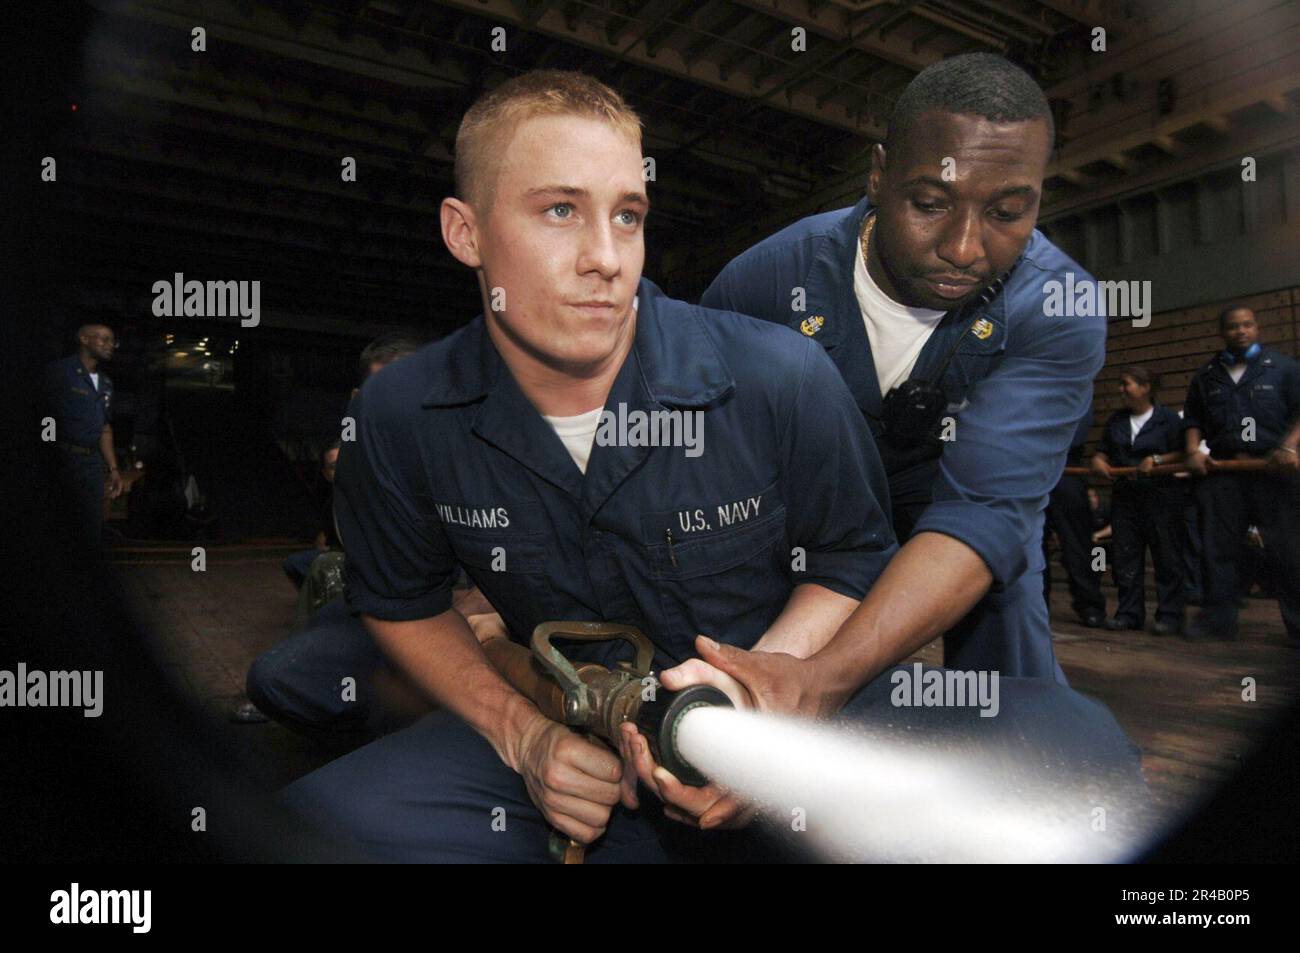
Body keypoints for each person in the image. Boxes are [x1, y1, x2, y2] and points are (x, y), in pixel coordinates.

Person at [279, 71, 1145, 864]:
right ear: (464, 232)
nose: (606, 258)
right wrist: (524, 732)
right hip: (580, 734)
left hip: (828, 624)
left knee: (1066, 746)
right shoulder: (400, 415)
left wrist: (775, 696)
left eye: (629, 214)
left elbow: (928, 529)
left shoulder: (785, 368)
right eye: (558, 211)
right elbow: (402, 601)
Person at [700, 54, 1105, 683]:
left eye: (1005, 212)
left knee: (1006, 571)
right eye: (929, 202)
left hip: (948, 489)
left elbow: (986, 513)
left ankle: (1010, 744)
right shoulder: (763, 284)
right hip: (801, 497)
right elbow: (699, 471)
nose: (964, 248)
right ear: (878, 177)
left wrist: (827, 678)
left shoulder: (1057, 308)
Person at [1182, 306, 1300, 643]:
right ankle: (1219, 622)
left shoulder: (1284, 369)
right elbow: (1193, 420)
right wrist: (1193, 450)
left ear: (1257, 328)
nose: (1241, 331)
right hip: (1224, 473)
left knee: (1288, 550)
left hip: (1273, 471)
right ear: (1222, 332)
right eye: (1233, 327)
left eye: (1247, 325)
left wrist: (1291, 446)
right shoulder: (1206, 376)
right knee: (1219, 551)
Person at [1091, 367, 1186, 635]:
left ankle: (1170, 615)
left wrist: (1157, 460)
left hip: (1162, 498)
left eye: (1126, 384)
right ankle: (1128, 613)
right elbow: (1102, 452)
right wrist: (1099, 462)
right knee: (1125, 558)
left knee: (1167, 557)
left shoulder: (1168, 419)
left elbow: (1183, 452)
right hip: (1126, 499)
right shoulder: (1116, 421)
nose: (1121, 389)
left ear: (1145, 387)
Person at [42, 324, 124, 547]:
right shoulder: (60, 372)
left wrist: (114, 469)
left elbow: (104, 428)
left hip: (91, 464)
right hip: (64, 457)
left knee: (90, 526)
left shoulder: (106, 384)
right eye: (104, 339)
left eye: (112, 341)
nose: (110, 346)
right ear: (84, 339)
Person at [1044, 410, 1106, 627]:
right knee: (1034, 545)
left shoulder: (1073, 387)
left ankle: (1090, 604)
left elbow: (1078, 431)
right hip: (1033, 472)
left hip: (1066, 470)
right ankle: (1038, 605)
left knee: (1077, 545)